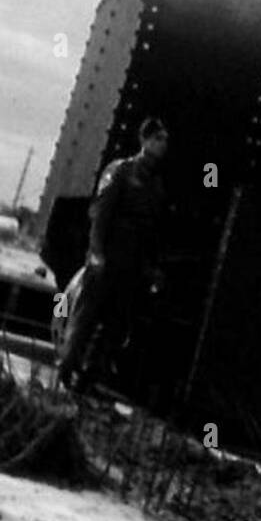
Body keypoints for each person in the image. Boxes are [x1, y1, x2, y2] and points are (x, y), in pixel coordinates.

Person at [57, 116, 169, 391]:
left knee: (114, 326)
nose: (162, 145)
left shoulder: (156, 185)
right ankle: (66, 368)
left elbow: (153, 232)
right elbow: (100, 214)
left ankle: (88, 377)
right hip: (107, 258)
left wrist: (151, 268)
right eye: (158, 139)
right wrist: (96, 253)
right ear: (144, 140)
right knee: (86, 317)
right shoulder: (120, 171)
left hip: (131, 265)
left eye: (165, 141)